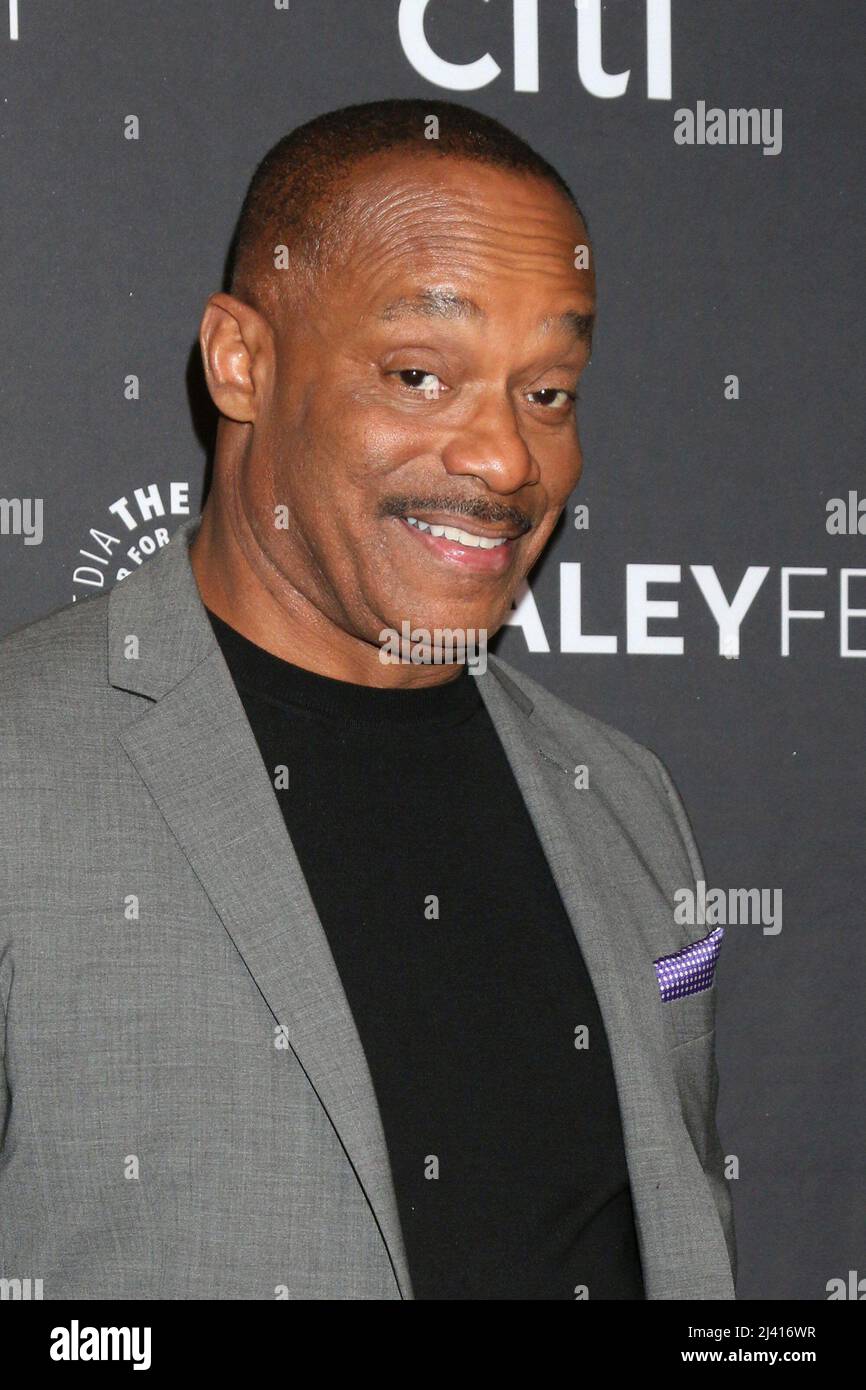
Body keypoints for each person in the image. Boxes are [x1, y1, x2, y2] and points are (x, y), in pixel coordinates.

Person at [0, 99, 736, 1300]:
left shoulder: (622, 801)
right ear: (242, 361)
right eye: (418, 373)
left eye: (546, 392)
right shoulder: (18, 770)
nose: (504, 459)